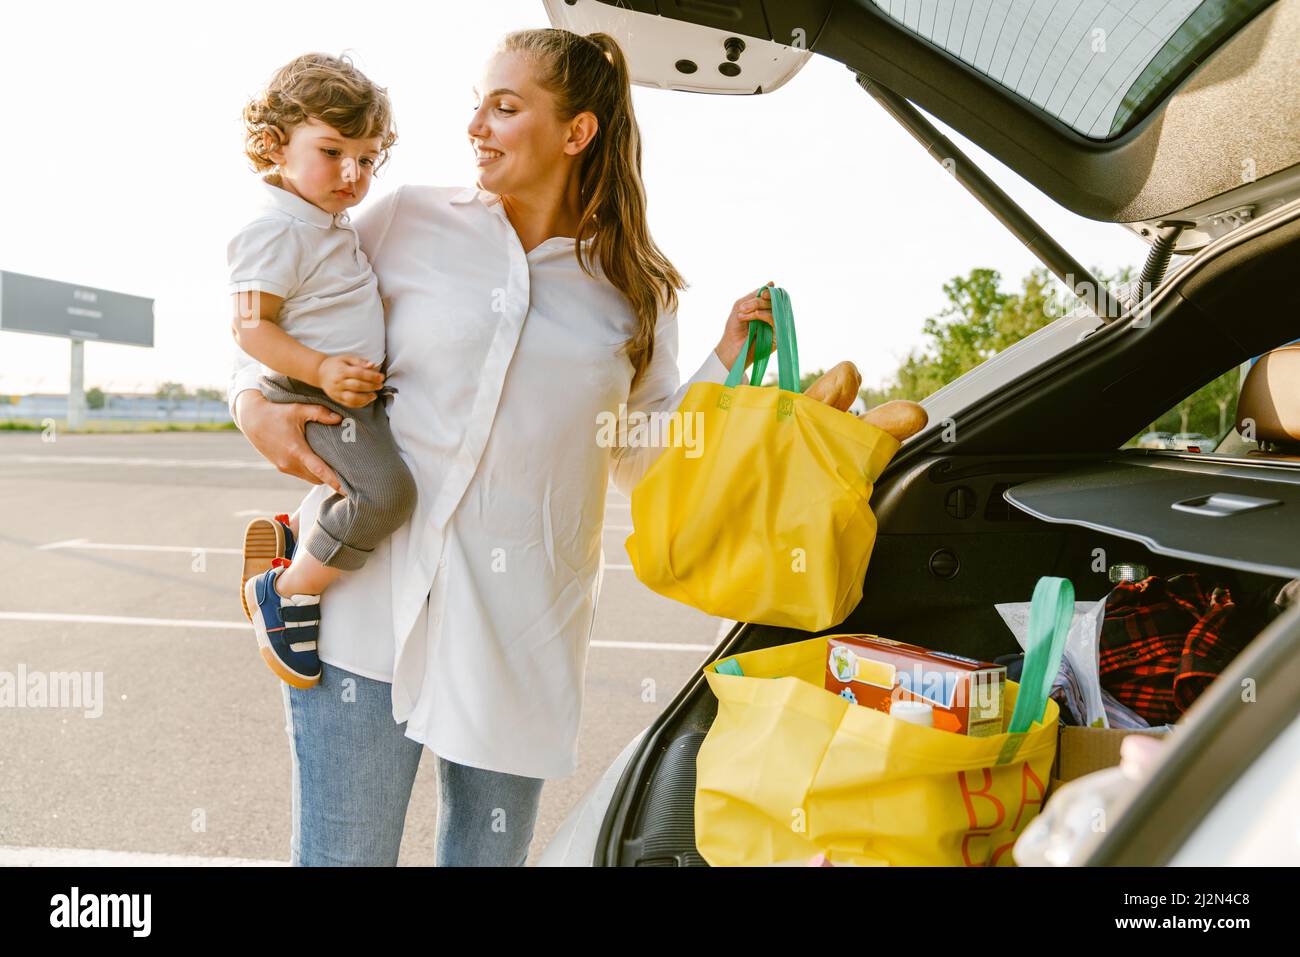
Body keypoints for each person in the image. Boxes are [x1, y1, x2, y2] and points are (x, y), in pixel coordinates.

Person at [229, 28, 777, 866]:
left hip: (517, 634)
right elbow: (284, 297)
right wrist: (247, 403)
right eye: (477, 104)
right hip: (366, 612)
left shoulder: (635, 290)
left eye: (505, 106)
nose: (476, 124)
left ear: (576, 131)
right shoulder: (406, 219)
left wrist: (728, 359)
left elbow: (638, 452)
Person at [228, 52, 416, 689]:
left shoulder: (324, 222)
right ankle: (286, 591)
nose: (352, 173)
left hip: (338, 389)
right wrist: (322, 369)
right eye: (332, 151)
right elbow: (250, 327)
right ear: (274, 144)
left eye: (367, 158)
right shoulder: (273, 228)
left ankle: (301, 529)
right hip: (311, 392)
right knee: (389, 494)